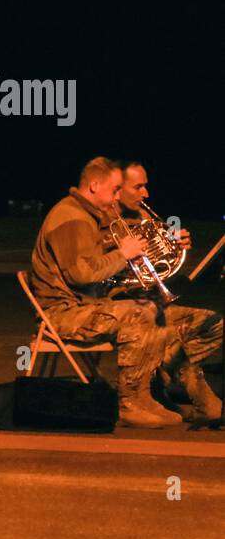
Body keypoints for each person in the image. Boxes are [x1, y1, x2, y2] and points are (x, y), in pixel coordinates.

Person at [30, 157, 190, 427]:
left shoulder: (88, 215)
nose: (118, 196)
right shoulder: (72, 217)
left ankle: (143, 396)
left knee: (150, 308)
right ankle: (128, 402)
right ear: (94, 185)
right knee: (138, 314)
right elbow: (81, 274)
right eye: (115, 189)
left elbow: (96, 264)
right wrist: (123, 254)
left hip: (84, 306)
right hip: (63, 314)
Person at [112, 161, 222, 421]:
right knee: (156, 323)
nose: (146, 194)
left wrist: (178, 247)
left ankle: (170, 364)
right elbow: (98, 276)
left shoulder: (145, 218)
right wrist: (126, 257)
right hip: (124, 306)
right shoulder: (104, 225)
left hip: (152, 303)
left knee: (214, 323)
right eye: (138, 186)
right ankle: (174, 385)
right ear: (117, 189)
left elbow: (163, 268)